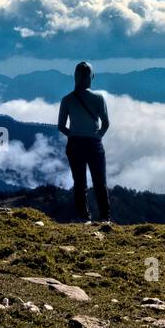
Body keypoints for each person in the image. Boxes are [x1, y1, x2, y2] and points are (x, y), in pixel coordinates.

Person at [57, 61, 111, 223]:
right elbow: (106, 123)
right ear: (91, 78)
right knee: (100, 182)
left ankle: (84, 218)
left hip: (75, 145)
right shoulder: (98, 98)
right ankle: (105, 218)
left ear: (75, 77)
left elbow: (61, 126)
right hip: (94, 144)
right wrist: (98, 135)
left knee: (80, 183)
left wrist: (72, 134)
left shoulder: (67, 100)